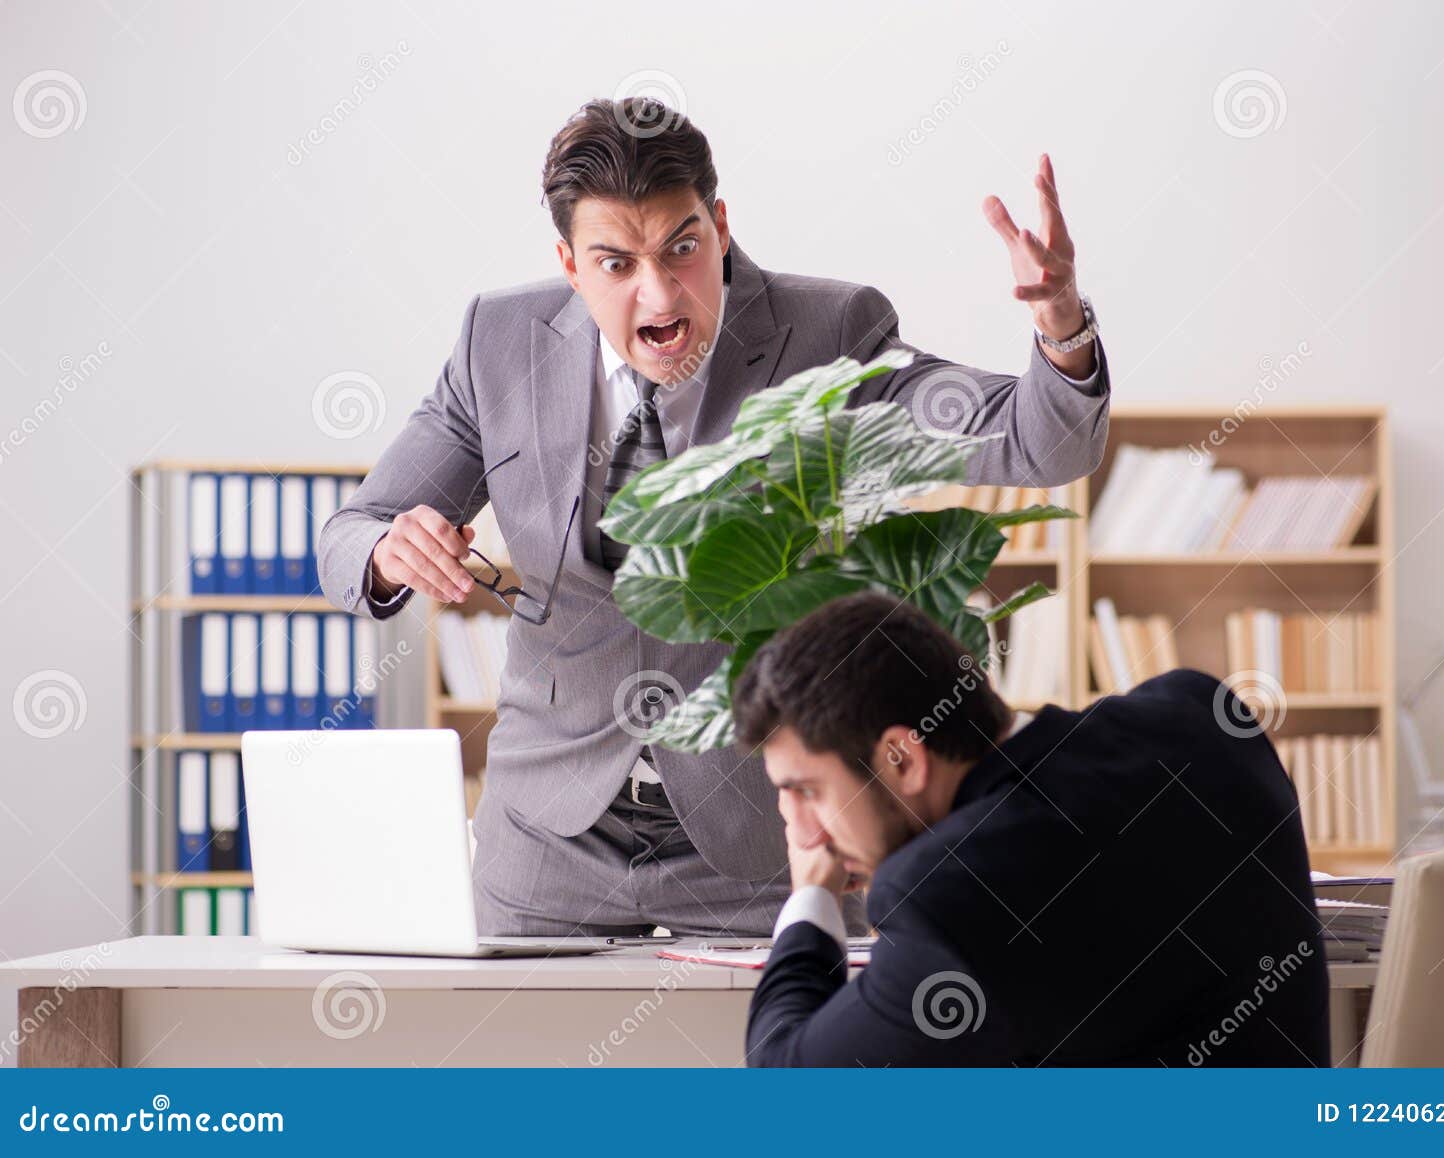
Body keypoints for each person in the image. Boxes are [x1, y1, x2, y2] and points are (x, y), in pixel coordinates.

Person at [317, 97, 1111, 939]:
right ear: (570, 263)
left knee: (780, 1064)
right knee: (520, 1069)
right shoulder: (500, 342)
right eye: (616, 264)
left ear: (720, 225)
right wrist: (387, 551)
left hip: (764, 834)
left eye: (682, 249)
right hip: (546, 836)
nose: (659, 294)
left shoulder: (824, 333)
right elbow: (351, 530)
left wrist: (1061, 326)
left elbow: (1033, 445)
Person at [733, 591, 1330, 1066]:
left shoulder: (950, 892)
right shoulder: (1200, 714)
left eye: (807, 791)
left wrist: (811, 894)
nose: (806, 830)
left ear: (903, 760)